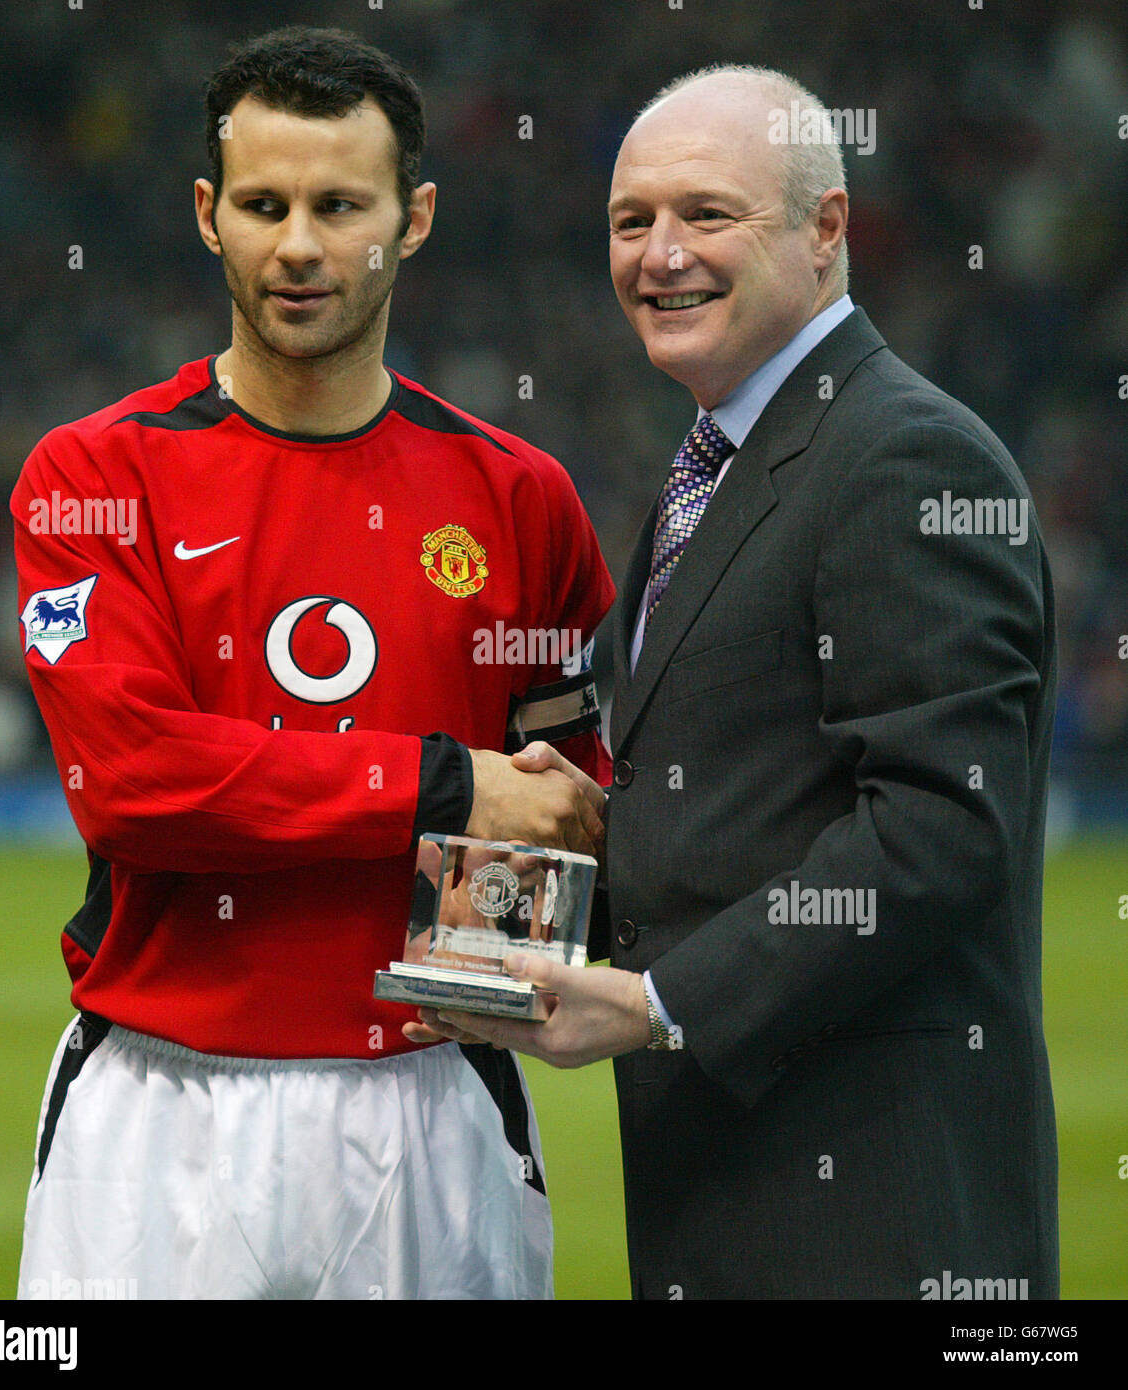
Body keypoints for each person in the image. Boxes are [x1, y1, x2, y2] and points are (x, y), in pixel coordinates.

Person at [414, 64, 1060, 1300]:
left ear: (825, 231)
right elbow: (756, 810)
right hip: (741, 1199)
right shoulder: (723, 457)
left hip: (876, 1215)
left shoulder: (901, 456)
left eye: (706, 215)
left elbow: (936, 827)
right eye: (629, 220)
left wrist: (657, 1001)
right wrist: (567, 835)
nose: (659, 255)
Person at [12, 25, 612, 1301]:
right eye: (263, 203)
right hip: (157, 1110)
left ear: (414, 217)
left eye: (340, 204)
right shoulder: (94, 475)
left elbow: (565, 800)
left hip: (434, 1101)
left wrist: (517, 941)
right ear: (205, 214)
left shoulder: (517, 498)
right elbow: (130, 780)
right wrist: (444, 787)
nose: (297, 243)